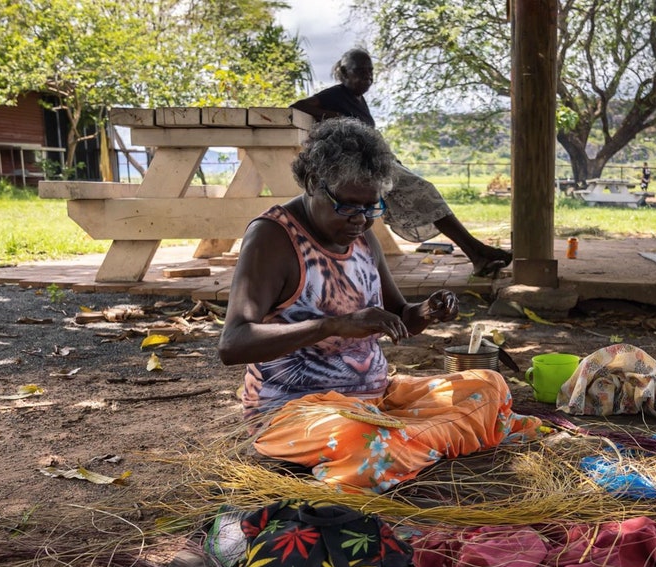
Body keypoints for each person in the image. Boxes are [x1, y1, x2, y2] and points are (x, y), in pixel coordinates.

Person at [218, 118, 541, 492]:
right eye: (347, 206)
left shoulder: (361, 235)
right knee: (367, 439)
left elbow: (400, 316)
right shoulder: (272, 238)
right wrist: (333, 325)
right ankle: (411, 444)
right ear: (312, 183)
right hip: (295, 411)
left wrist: (426, 311)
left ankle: (402, 447)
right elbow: (233, 344)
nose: (360, 219)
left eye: (371, 207)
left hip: (377, 401)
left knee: (488, 386)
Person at [289, 48, 513, 278]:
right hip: (361, 172)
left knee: (427, 197)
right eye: (360, 71)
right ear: (344, 73)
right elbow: (296, 107)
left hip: (378, 166)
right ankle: (477, 252)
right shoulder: (335, 95)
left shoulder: (358, 100)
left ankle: (477, 253)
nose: (367, 77)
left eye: (370, 71)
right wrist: (333, 116)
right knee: (425, 193)